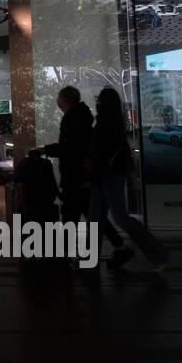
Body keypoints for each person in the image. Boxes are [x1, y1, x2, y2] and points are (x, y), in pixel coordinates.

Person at [88, 86, 168, 271]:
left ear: (104, 103)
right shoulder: (113, 121)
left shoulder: (106, 123)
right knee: (98, 218)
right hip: (106, 174)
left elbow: (103, 151)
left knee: (118, 218)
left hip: (108, 175)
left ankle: (158, 253)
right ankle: (89, 261)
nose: (96, 101)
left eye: (99, 99)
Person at [44, 87, 118, 248]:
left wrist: (46, 150)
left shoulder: (72, 119)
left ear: (64, 100)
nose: (57, 99)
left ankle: (63, 253)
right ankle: (119, 245)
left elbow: (69, 148)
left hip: (75, 175)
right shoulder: (81, 116)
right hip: (81, 175)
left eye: (58, 96)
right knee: (90, 214)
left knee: (71, 215)